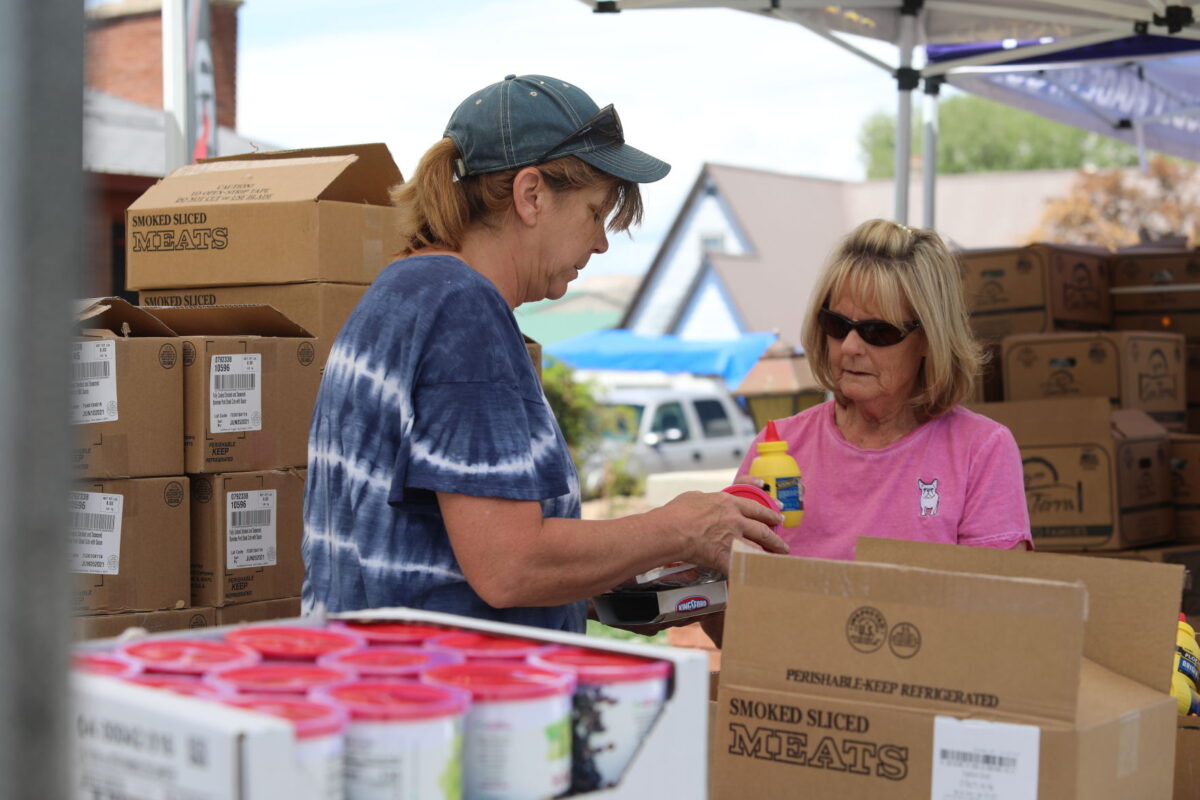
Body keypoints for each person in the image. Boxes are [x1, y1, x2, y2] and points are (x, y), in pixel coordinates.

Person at [301, 74, 787, 632]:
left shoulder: (401, 292)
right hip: (446, 699)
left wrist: (610, 579)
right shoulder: (463, 310)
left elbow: (439, 557)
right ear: (531, 195)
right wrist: (679, 528)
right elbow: (508, 566)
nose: (601, 242)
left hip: (378, 680)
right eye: (594, 212)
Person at [734, 219, 1033, 560]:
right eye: (837, 325)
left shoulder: (980, 450)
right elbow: (734, 594)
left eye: (878, 331)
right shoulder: (777, 448)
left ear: (929, 340)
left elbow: (996, 605)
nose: (850, 346)